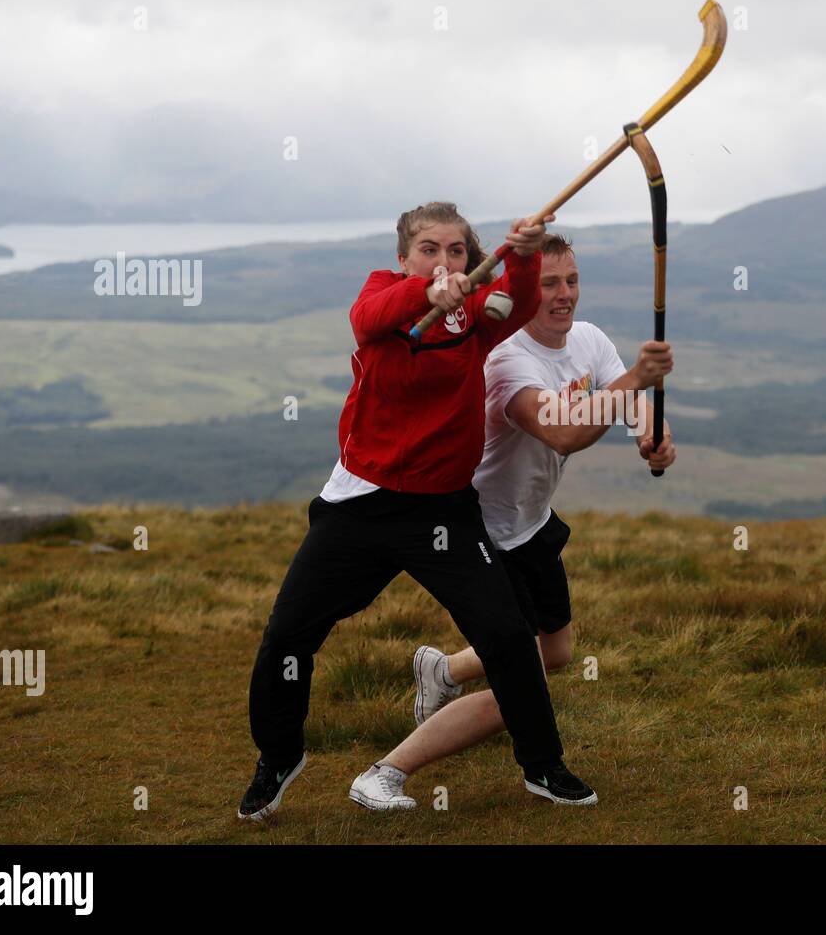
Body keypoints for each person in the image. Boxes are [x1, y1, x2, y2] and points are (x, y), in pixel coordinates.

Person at [240, 203, 598, 821]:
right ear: (404, 256)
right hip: (361, 502)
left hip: (443, 511)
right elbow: (368, 317)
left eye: (456, 251)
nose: (444, 260)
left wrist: (525, 250)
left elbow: (514, 293)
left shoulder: (478, 317)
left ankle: (543, 766)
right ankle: (278, 756)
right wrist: (426, 290)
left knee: (510, 637)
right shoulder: (385, 294)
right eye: (429, 249)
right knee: (289, 635)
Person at [347, 233, 676, 809]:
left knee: (557, 651)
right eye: (548, 283)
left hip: (531, 522)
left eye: (571, 280)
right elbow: (562, 429)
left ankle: (442, 670)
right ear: (523, 290)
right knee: (520, 687)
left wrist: (650, 431)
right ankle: (386, 772)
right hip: (481, 534)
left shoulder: (591, 340)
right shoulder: (506, 358)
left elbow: (628, 402)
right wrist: (633, 385)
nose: (563, 294)